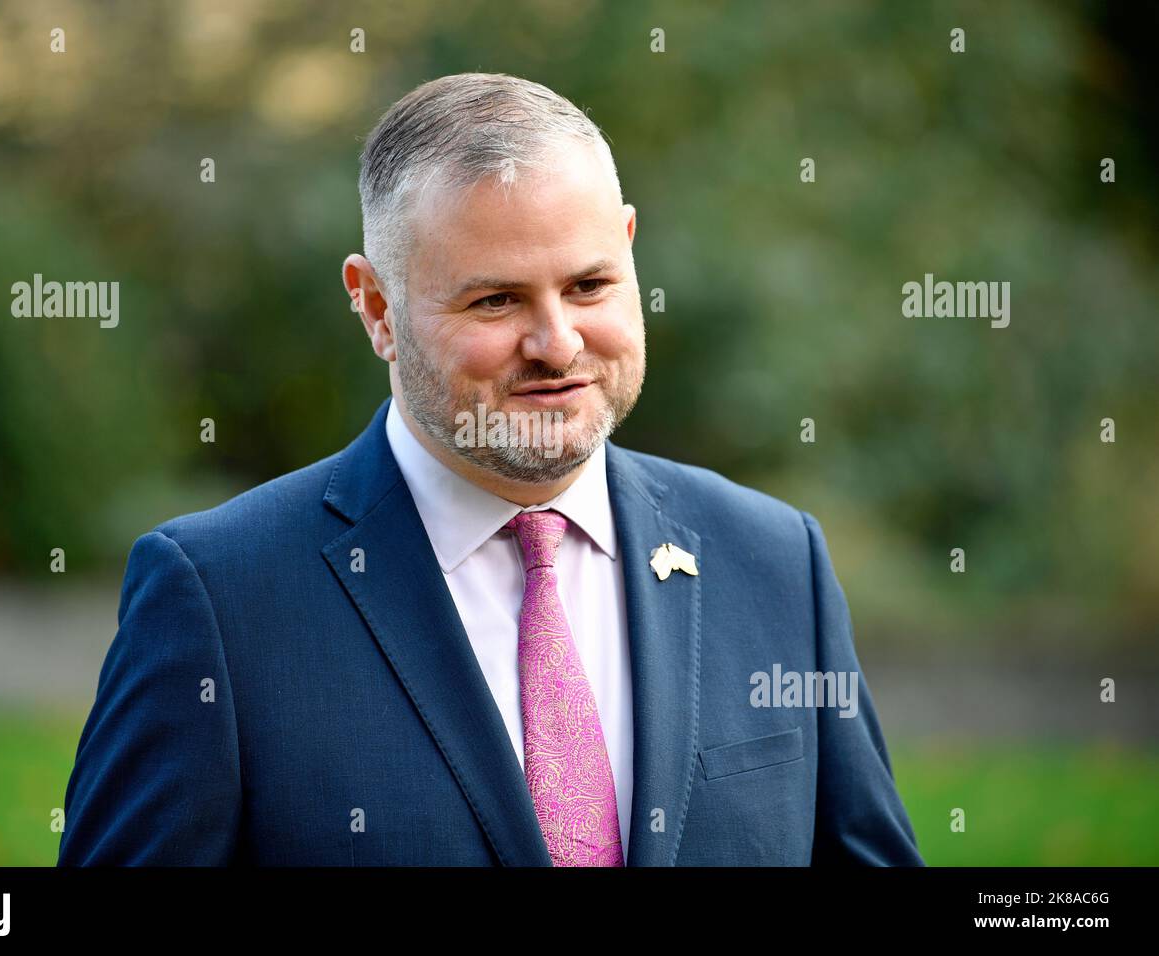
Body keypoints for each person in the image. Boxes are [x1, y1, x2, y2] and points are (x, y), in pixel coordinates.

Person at [58, 72, 924, 866]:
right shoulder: (219, 598)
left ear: (629, 248)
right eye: (496, 300)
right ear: (377, 308)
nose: (558, 344)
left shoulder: (776, 564)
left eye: (590, 285)